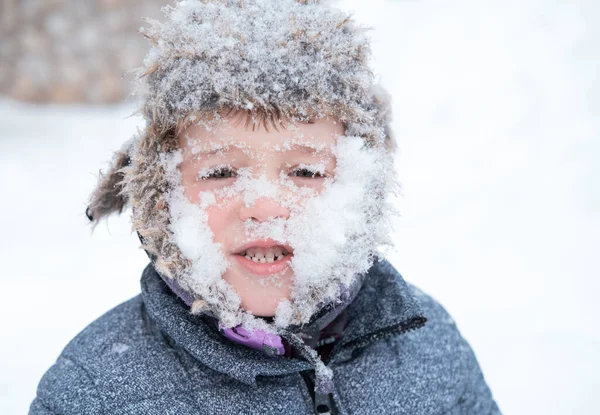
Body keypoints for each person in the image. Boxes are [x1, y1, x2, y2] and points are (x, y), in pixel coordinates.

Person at [29, 1, 501, 414]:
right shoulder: (95, 392)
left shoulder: (426, 345)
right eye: (219, 173)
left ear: (360, 184)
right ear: (163, 193)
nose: (264, 206)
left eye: (306, 172)